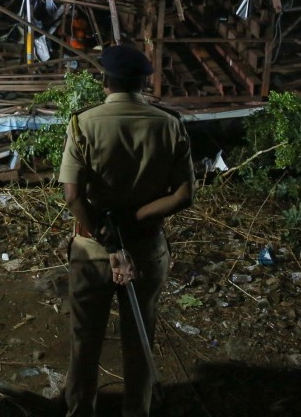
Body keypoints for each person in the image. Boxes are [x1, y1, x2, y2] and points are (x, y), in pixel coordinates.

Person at [59, 44, 196, 417]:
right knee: (140, 338)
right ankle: (138, 410)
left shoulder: (82, 123)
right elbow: (184, 195)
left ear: (105, 80)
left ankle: (80, 412)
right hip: (146, 248)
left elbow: (73, 196)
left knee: (84, 341)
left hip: (92, 250)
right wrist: (134, 219)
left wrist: (104, 234)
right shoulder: (169, 124)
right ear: (142, 82)